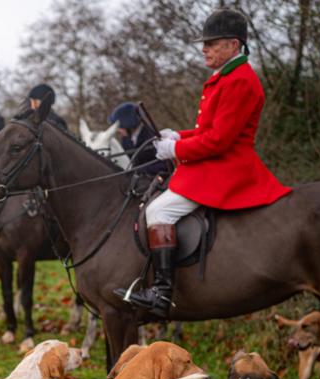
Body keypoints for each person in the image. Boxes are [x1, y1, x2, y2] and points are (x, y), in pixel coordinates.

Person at [115, 8, 291, 317]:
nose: (204, 48)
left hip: (227, 165)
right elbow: (207, 131)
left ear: (233, 45)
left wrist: (176, 149)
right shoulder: (226, 77)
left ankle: (162, 293)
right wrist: (176, 135)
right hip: (216, 160)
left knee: (159, 210)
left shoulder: (239, 80)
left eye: (211, 43)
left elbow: (220, 140)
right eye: (205, 43)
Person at [108, 102, 164, 177]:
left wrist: (139, 170)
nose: (118, 130)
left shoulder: (150, 137)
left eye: (119, 127)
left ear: (128, 123)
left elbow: (164, 164)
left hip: (158, 179)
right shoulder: (125, 140)